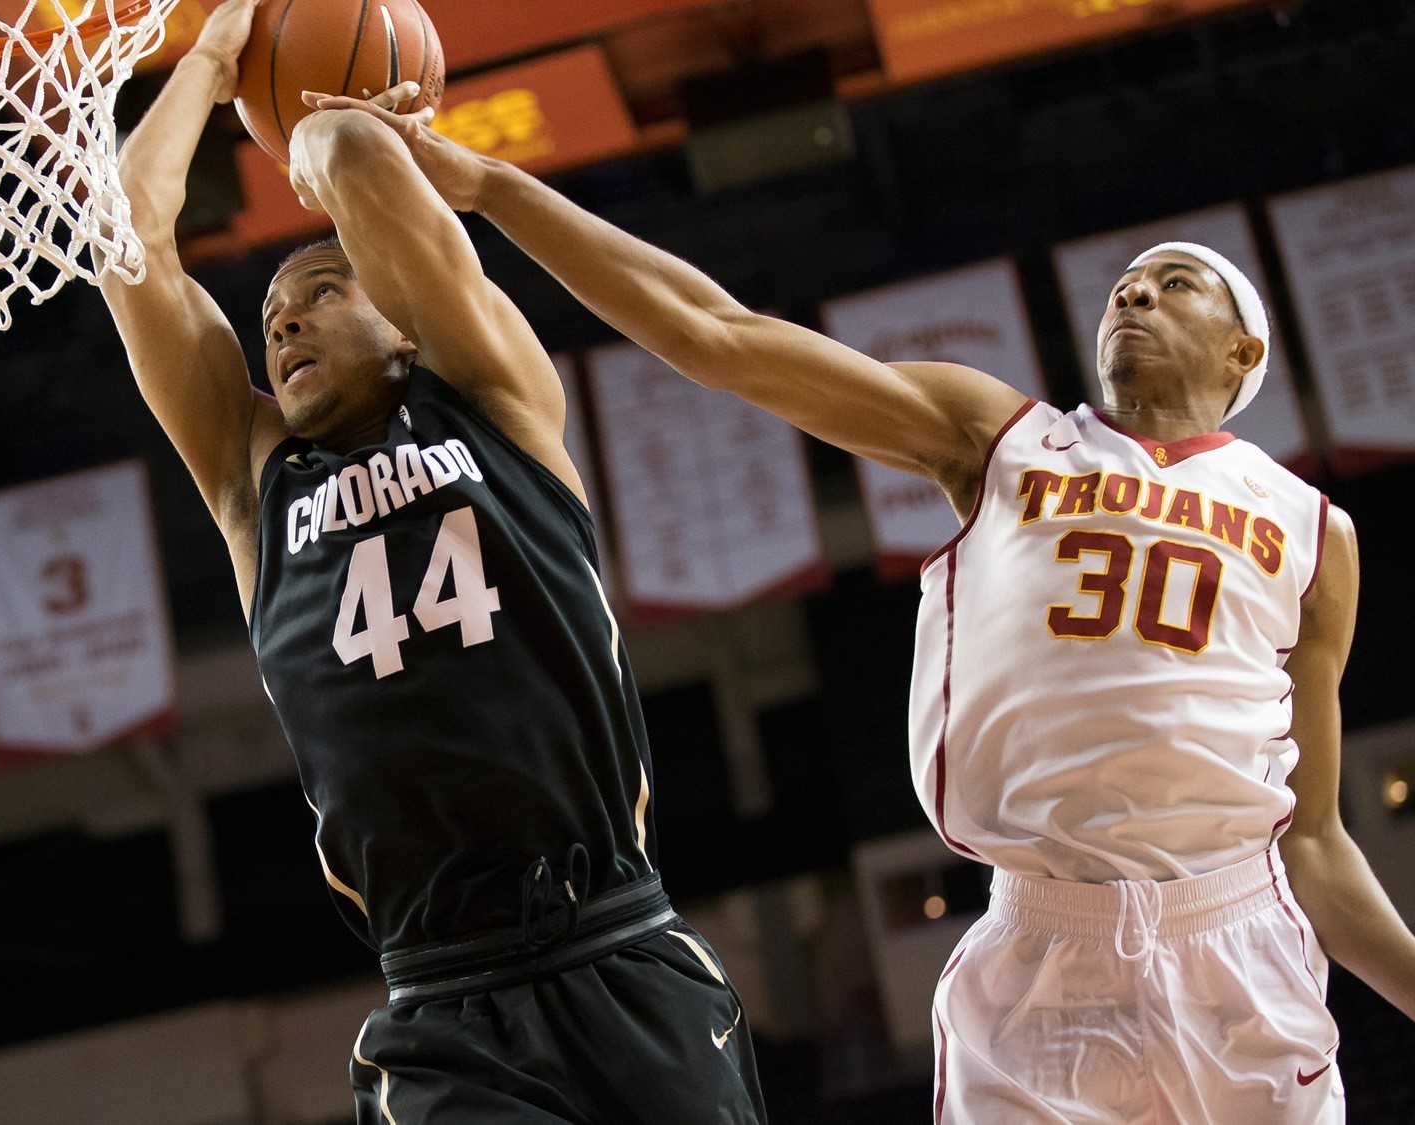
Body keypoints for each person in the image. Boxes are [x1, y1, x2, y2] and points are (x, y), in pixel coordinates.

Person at [302, 92, 1415, 1122]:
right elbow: (718, 334)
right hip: (1046, 951)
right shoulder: (1007, 439)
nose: (1133, 293)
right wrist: (496, 189)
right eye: (1126, 282)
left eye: (1174, 283)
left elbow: (1314, 841)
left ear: (1243, 349)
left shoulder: (1314, 532)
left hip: (1236, 938)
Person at [95, 3, 768, 1121]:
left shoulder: (493, 402)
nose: (284, 326)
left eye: (322, 292)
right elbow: (128, 242)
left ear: (404, 325)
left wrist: (324, 128)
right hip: (440, 1002)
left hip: (614, 940)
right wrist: (209, 59)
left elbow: (352, 153)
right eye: (271, 317)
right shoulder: (254, 482)